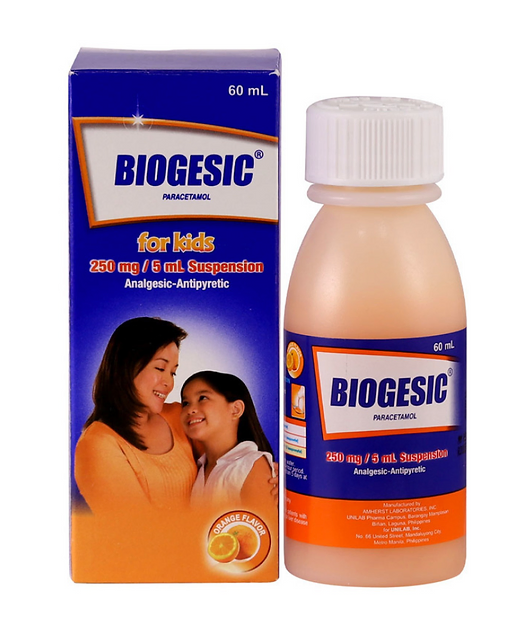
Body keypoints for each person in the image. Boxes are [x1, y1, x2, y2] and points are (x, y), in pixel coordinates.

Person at [75, 317, 277, 516]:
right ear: (126, 366)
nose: (169, 383)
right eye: (160, 368)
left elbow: (229, 462)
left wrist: (270, 477)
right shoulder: (98, 443)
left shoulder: (177, 416)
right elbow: (135, 528)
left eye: (172, 373)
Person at [180, 370, 276, 508]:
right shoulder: (199, 469)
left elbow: (264, 521)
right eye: (185, 403)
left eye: (202, 398)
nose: (190, 410)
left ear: (236, 409)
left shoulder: (251, 464)